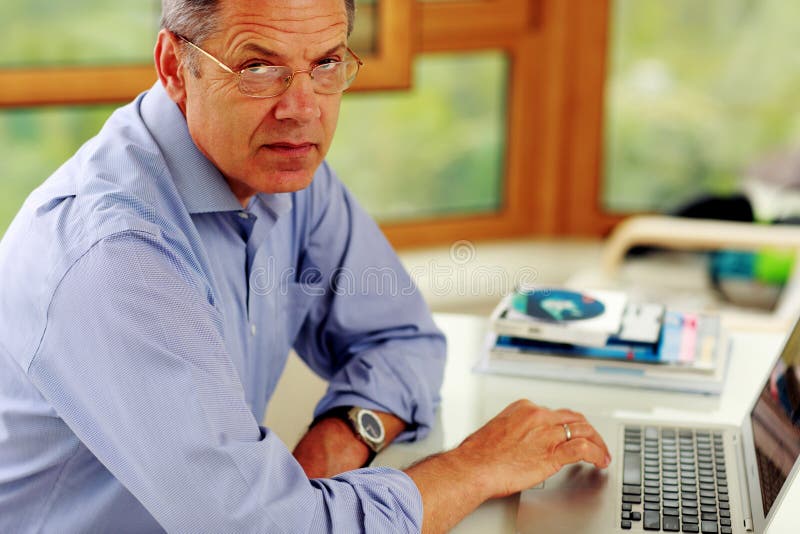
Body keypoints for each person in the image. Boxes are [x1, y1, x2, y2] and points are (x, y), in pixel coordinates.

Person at [0, 0, 611, 532]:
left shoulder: (281, 170)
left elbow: (401, 339)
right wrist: (473, 468)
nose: (302, 109)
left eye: (325, 64)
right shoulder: (115, 260)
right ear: (173, 67)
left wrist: (328, 455)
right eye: (258, 67)